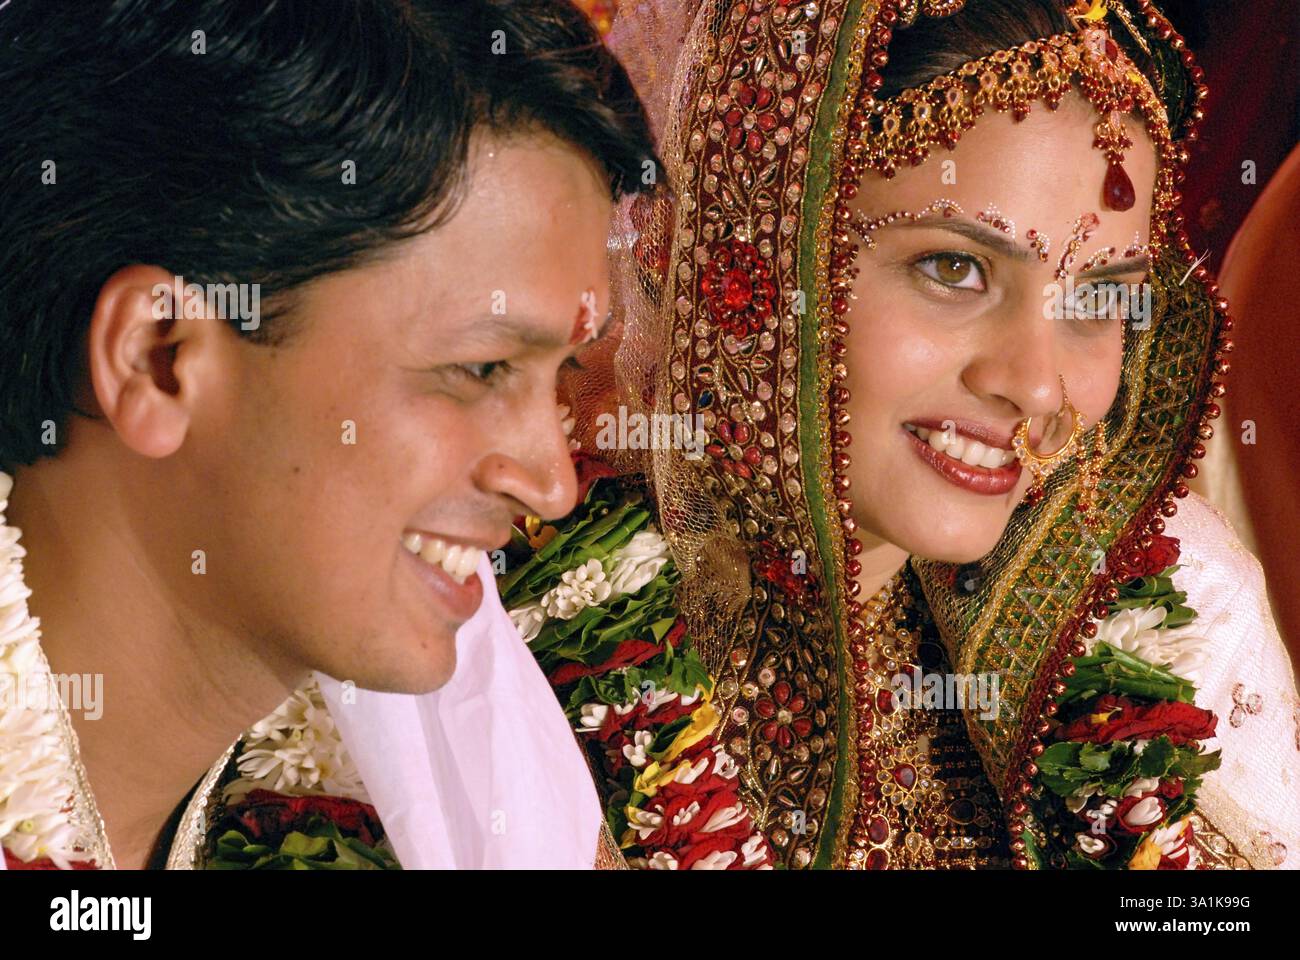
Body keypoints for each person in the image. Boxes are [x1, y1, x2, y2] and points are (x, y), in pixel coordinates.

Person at [500, 0, 1299, 869]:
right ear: (754, 251)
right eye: (954, 269)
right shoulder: (499, 636)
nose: (1038, 384)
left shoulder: (1183, 619)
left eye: (1099, 298)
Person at [0, 0, 656, 869]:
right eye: (481, 368)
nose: (552, 484)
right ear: (157, 360)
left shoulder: (441, 799)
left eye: (562, 373)